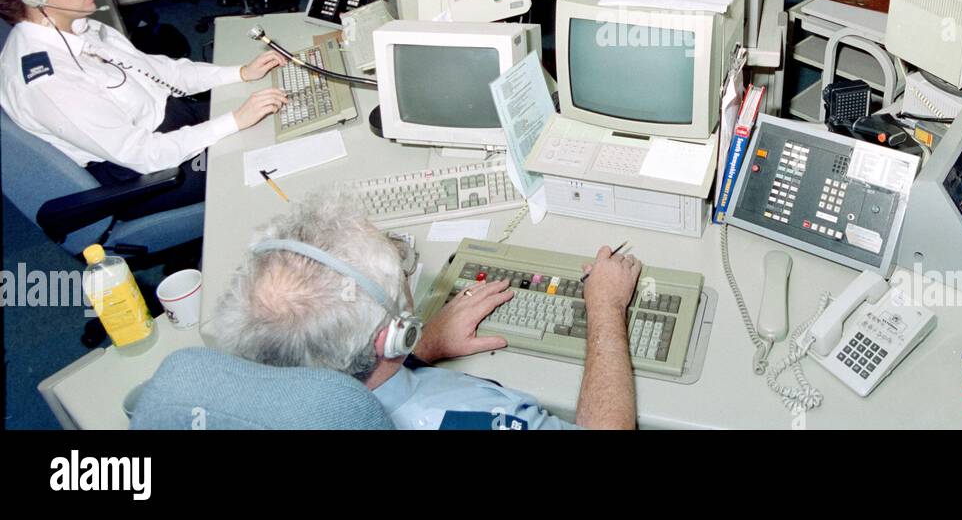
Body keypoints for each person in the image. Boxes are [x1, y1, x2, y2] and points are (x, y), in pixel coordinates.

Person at [210, 190, 643, 429]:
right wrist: (605, 306)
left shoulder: (234, 404)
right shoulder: (458, 419)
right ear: (392, 334)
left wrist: (422, 349)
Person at [0, 0, 288, 219]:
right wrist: (234, 121)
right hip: (151, 175)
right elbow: (142, 154)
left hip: (173, 126)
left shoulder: (76, 27)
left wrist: (239, 73)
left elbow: (162, 71)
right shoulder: (48, 82)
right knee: (273, 164)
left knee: (282, 113)